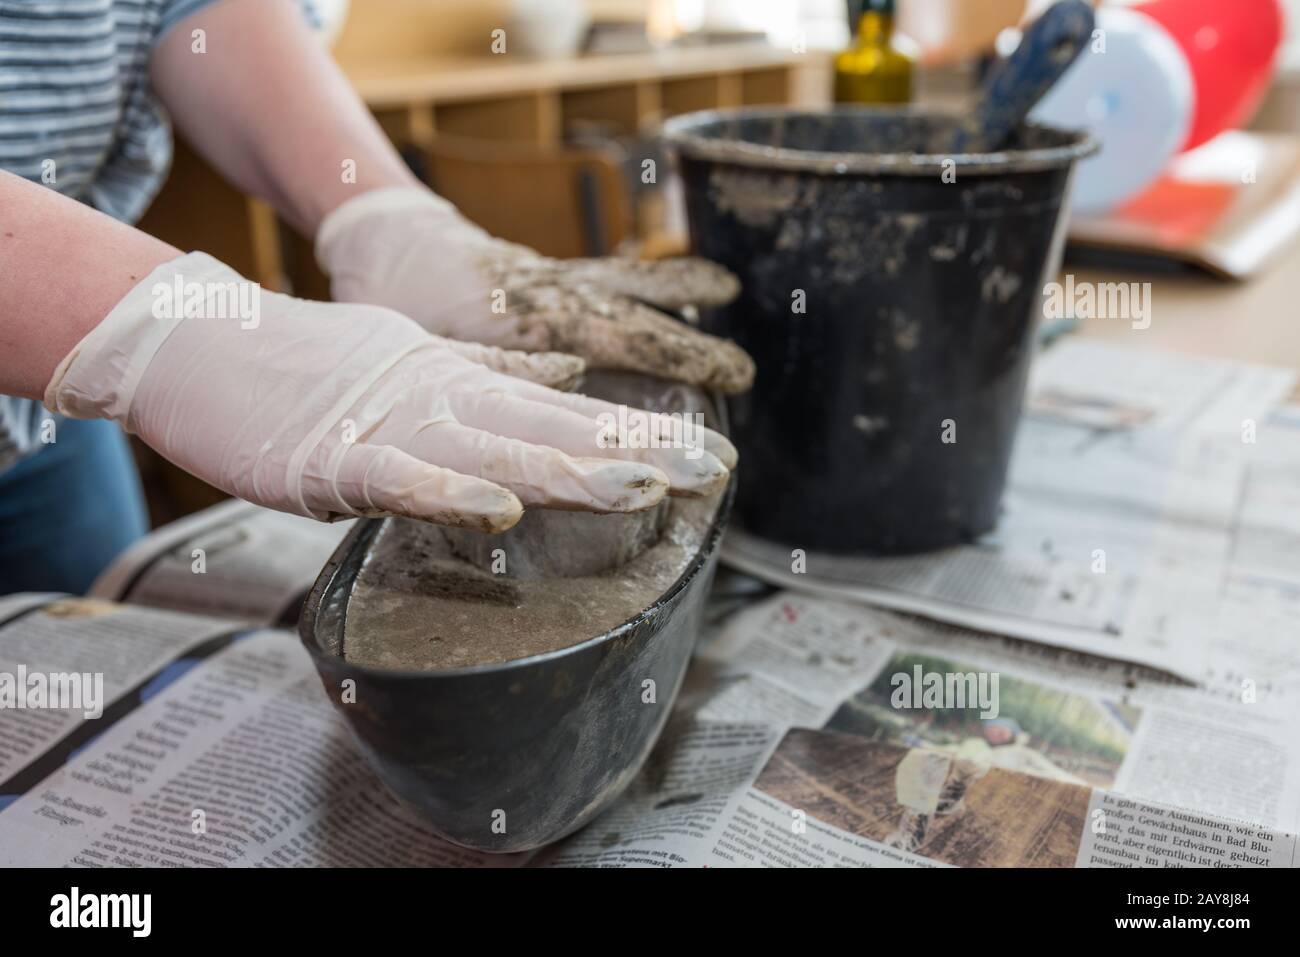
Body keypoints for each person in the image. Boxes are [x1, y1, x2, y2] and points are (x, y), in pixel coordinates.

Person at [0, 0, 754, 596]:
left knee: (84, 668)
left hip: (48, 416)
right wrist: (153, 328)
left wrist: (382, 217)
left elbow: (182, 10)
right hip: (64, 341)